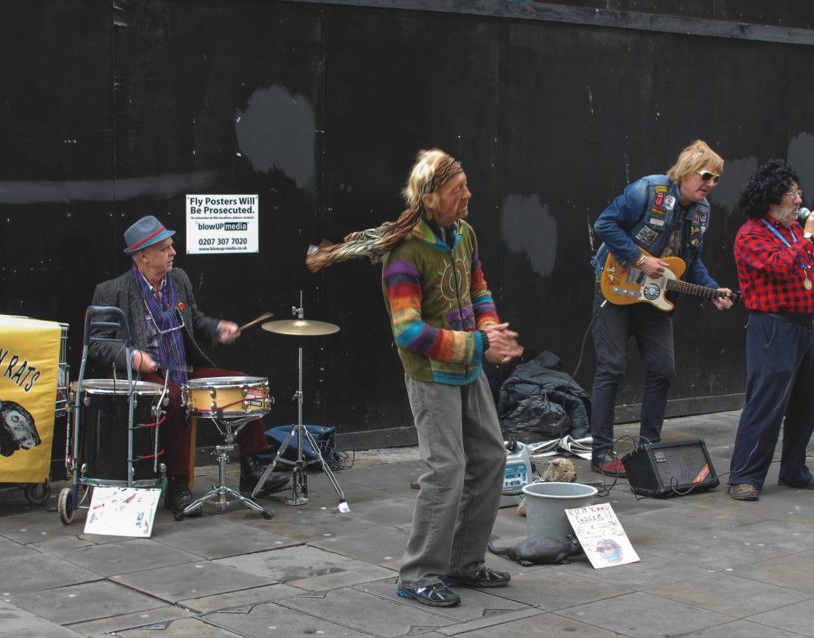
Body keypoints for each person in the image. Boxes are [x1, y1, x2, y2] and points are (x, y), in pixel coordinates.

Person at [306, 149, 523, 607]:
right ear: (429, 199)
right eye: (457, 190)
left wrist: (490, 327)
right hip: (430, 375)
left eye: (465, 185)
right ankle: (418, 573)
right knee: (447, 469)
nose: (468, 194)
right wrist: (480, 344)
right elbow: (408, 332)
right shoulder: (405, 254)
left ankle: (463, 563)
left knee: (490, 459)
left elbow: (479, 289)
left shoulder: (464, 234)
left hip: (468, 368)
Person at [89, 215, 287, 516]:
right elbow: (98, 343)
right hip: (146, 374)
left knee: (245, 384)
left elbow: (194, 320)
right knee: (173, 399)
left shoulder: (179, 279)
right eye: (165, 248)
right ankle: (177, 485)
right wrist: (131, 356)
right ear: (143, 256)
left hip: (182, 368)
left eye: (172, 246)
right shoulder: (113, 290)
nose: (173, 252)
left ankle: (252, 469)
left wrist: (217, 328)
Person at [589, 140, 735, 477]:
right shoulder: (648, 190)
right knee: (611, 367)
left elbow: (691, 260)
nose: (711, 184)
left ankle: (648, 448)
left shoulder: (702, 211)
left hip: (655, 296)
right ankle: (602, 453)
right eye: (706, 176)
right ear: (686, 170)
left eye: (716, 179)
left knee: (662, 368)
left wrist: (712, 291)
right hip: (616, 286)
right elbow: (604, 224)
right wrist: (639, 259)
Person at [726, 160, 814, 501]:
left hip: (808, 327)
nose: (800, 200)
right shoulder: (751, 234)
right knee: (767, 403)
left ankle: (794, 470)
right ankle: (744, 476)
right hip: (774, 327)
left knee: (807, 403)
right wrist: (808, 236)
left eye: (799, 192)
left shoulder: (792, 232)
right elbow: (779, 265)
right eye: (792, 194)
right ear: (772, 199)